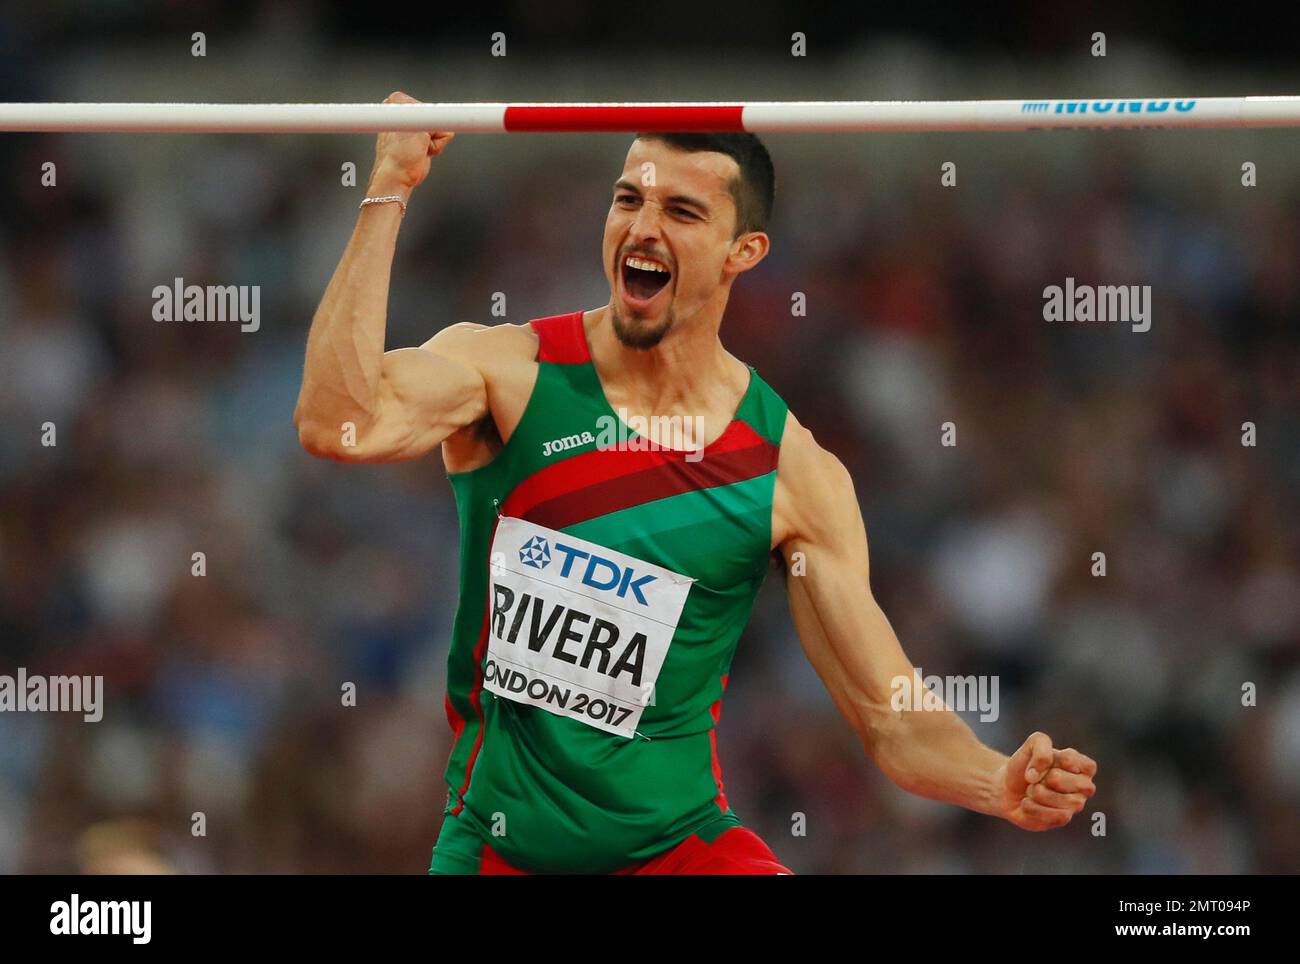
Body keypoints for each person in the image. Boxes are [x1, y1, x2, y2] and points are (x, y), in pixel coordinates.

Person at [293, 91, 1099, 875]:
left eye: (681, 212)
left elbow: (892, 718)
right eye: (627, 200)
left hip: (680, 854)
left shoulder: (792, 473)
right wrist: (389, 187)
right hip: (502, 852)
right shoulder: (508, 375)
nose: (642, 228)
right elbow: (336, 424)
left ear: (743, 250)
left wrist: (995, 780)